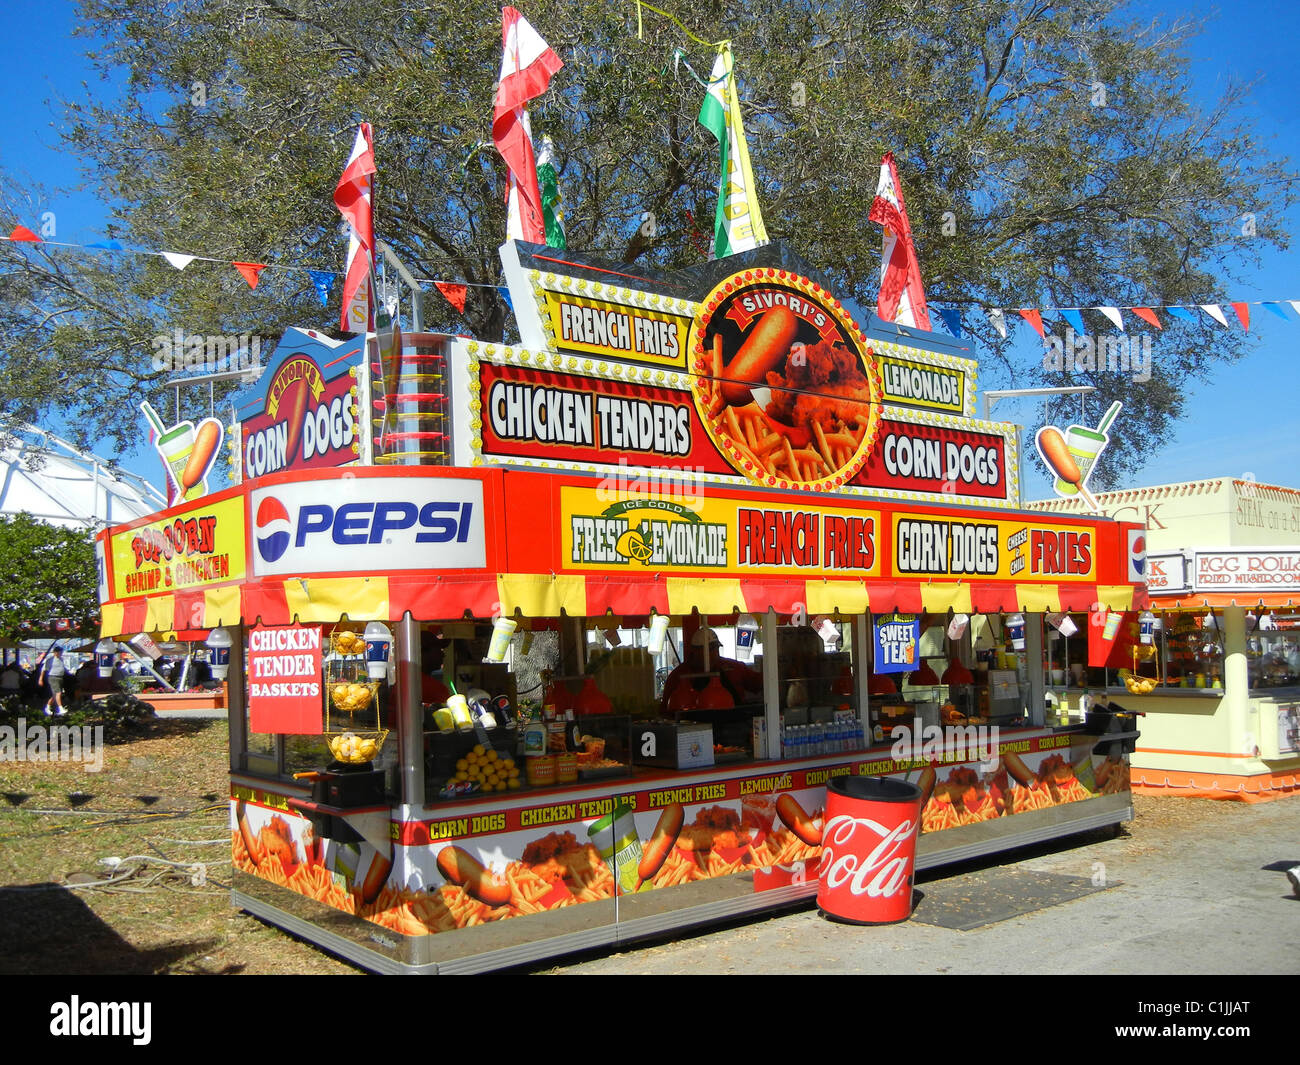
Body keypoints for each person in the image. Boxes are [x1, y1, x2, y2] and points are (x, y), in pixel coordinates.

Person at [39, 647, 68, 716]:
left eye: (61, 652)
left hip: (60, 677)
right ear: (55, 652)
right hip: (53, 677)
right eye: (60, 652)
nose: (61, 654)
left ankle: (47, 707)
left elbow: (63, 668)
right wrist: (40, 679)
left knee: (54, 694)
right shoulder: (50, 660)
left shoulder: (61, 659)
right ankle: (60, 708)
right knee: (58, 693)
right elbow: (43, 669)